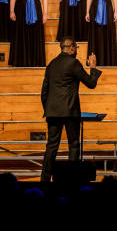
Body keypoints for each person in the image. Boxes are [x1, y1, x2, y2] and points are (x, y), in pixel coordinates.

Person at [39, 37, 101, 183]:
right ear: (72, 48)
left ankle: (44, 180)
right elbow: (91, 83)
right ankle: (72, 180)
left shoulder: (51, 65)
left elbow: (44, 92)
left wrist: (49, 109)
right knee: (73, 145)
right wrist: (92, 67)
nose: (76, 51)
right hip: (70, 111)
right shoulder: (73, 63)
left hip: (52, 112)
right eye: (76, 48)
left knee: (51, 147)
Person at [10, 0, 47, 67]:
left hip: (36, 11)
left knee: (35, 35)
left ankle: (35, 61)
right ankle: (22, 61)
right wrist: (11, 11)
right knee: (21, 35)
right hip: (20, 11)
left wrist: (45, 14)